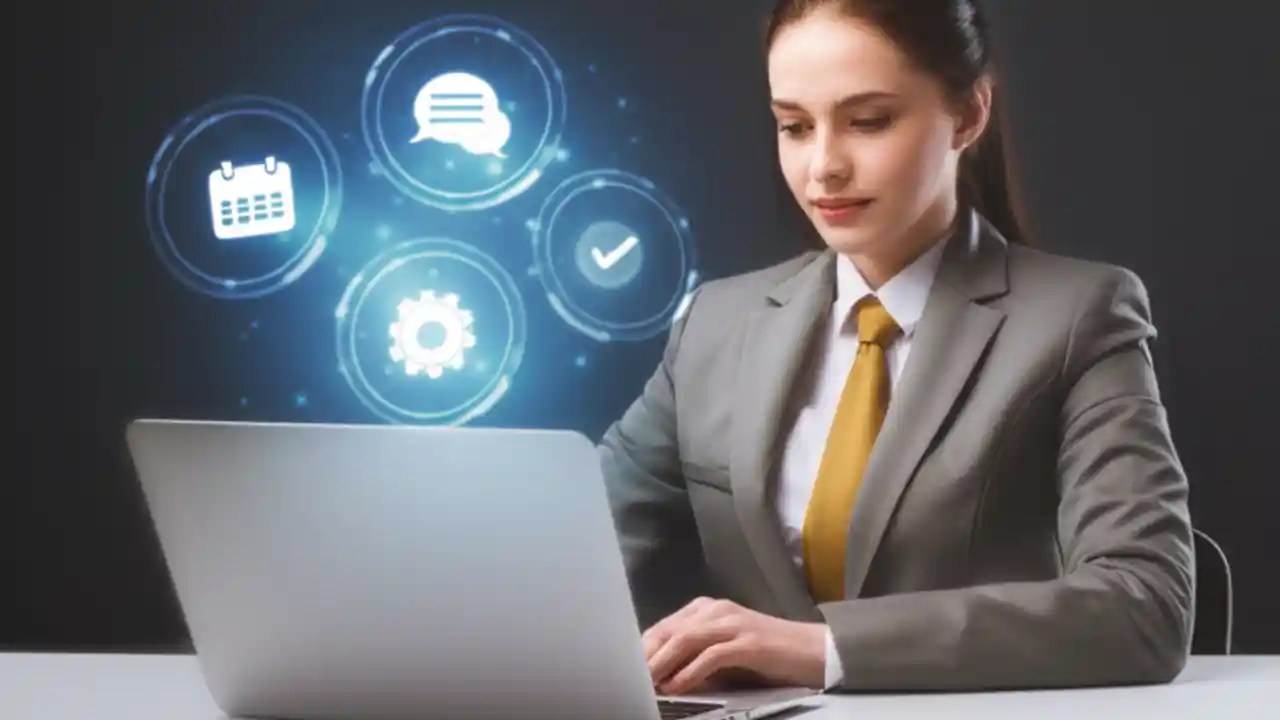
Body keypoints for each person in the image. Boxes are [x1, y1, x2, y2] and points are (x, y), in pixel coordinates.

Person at [597, 0, 1195, 696]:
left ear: (969, 115)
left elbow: (1143, 604)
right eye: (793, 126)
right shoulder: (715, 324)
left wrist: (822, 651)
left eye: (869, 121)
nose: (822, 167)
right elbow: (581, 545)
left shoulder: (1078, 317)